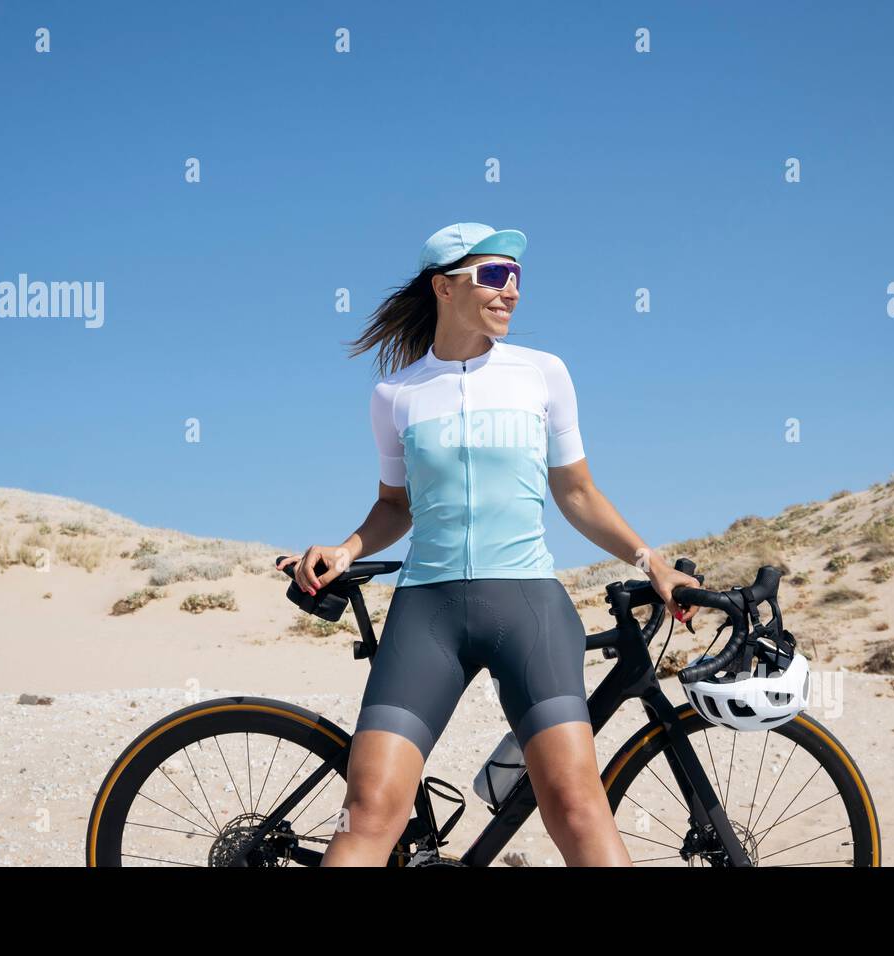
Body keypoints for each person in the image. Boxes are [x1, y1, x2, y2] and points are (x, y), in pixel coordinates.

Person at [278, 222, 702, 866]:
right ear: (444, 287)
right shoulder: (396, 394)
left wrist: (654, 562)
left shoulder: (543, 374)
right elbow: (396, 505)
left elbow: (579, 493)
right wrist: (345, 550)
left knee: (577, 806)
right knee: (368, 812)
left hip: (528, 607)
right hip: (427, 611)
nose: (512, 292)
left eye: (518, 278)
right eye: (495, 276)